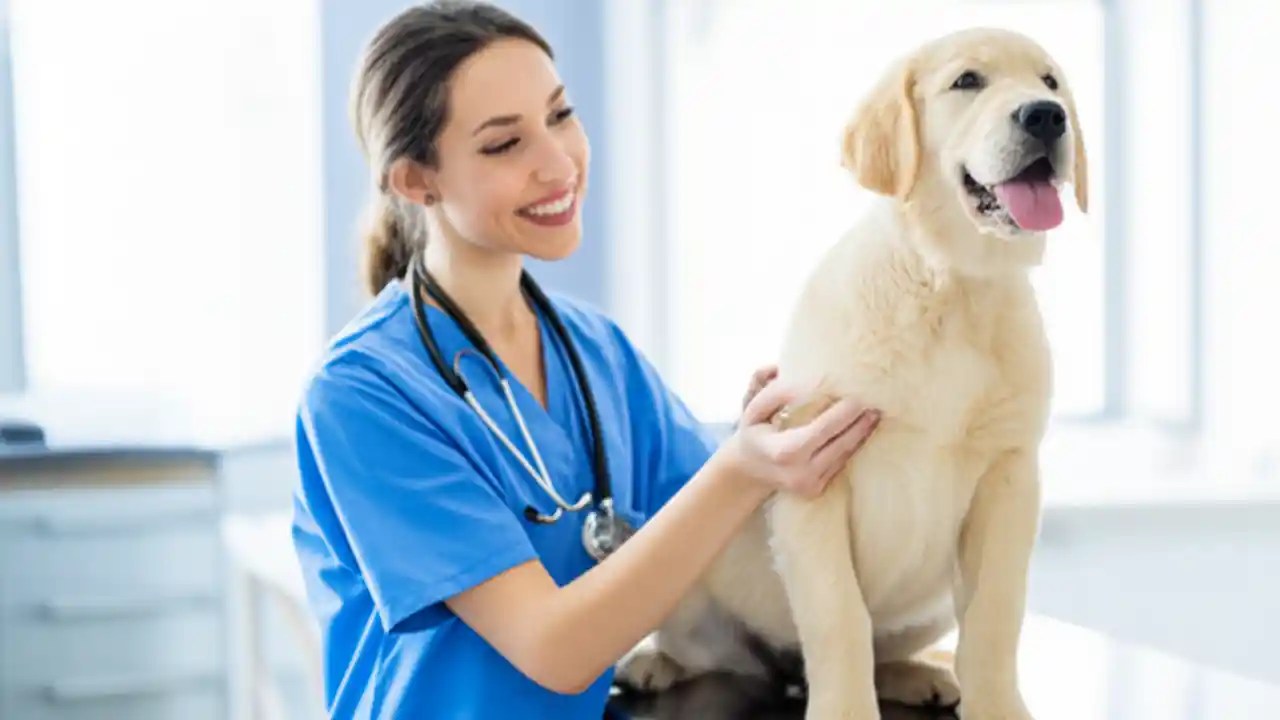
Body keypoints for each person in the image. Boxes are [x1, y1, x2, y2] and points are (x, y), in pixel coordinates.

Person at [289, 2, 882, 718]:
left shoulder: (595, 352)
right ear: (417, 181)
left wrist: (772, 440)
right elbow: (556, 648)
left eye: (561, 114)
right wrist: (739, 471)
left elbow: (720, 540)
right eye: (504, 144)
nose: (557, 161)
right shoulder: (362, 395)